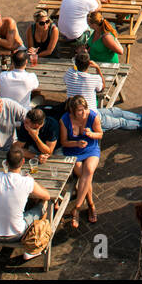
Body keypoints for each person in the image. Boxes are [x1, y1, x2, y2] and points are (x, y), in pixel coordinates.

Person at [60, 95, 103, 228]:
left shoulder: (92, 116)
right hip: (74, 150)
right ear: (72, 111)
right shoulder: (64, 120)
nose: (83, 113)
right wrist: (76, 143)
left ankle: (77, 208)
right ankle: (90, 203)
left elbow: (100, 134)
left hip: (90, 148)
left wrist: (91, 134)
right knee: (83, 174)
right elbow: (64, 142)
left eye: (84, 109)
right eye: (79, 110)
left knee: (89, 170)